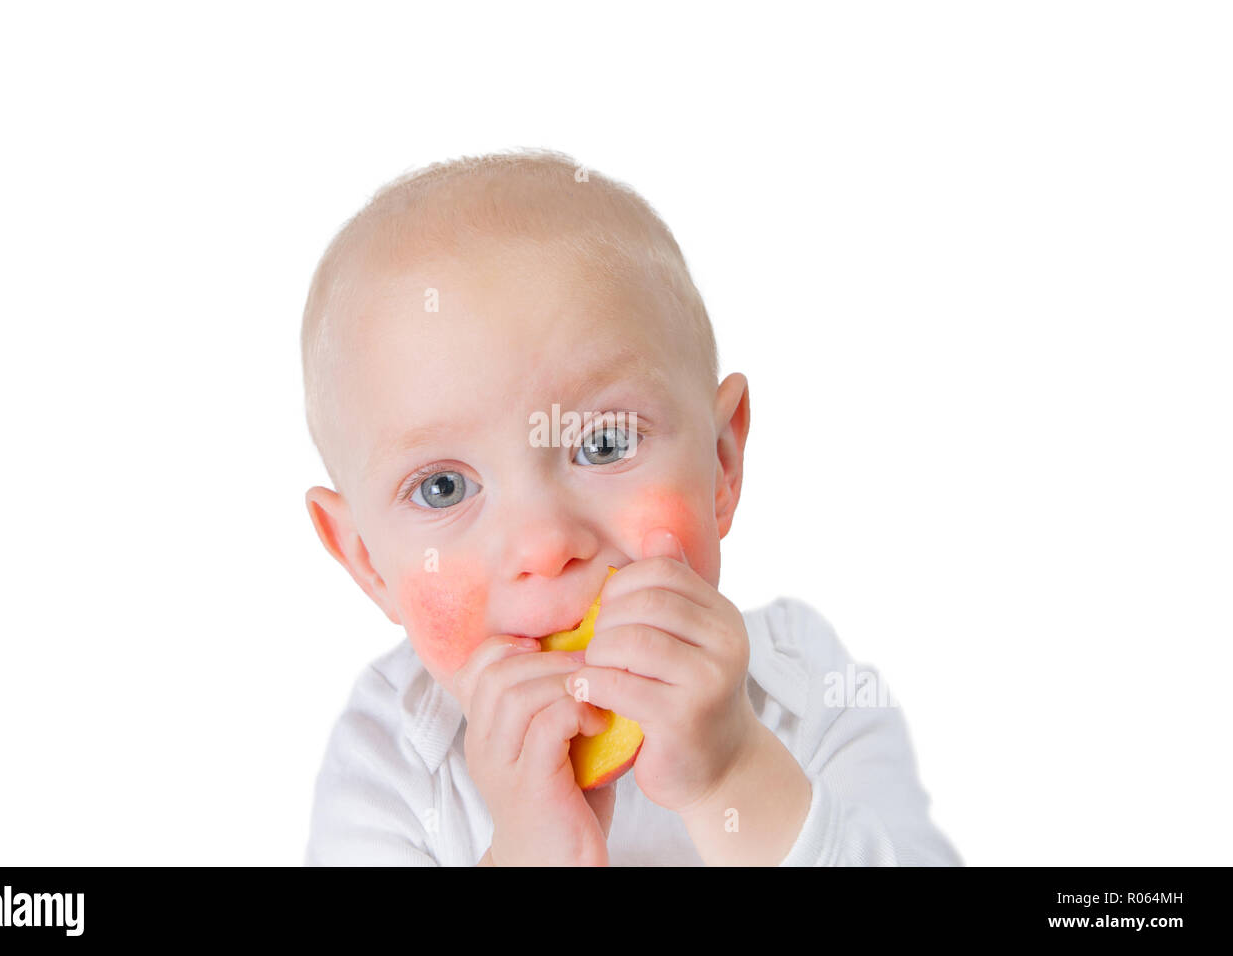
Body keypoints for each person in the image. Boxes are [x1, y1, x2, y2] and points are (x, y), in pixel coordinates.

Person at [298, 149, 962, 866]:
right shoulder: (391, 765)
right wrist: (524, 852)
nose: (546, 544)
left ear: (720, 465)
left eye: (605, 443)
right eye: (444, 488)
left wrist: (732, 775)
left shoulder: (803, 690)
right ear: (367, 561)